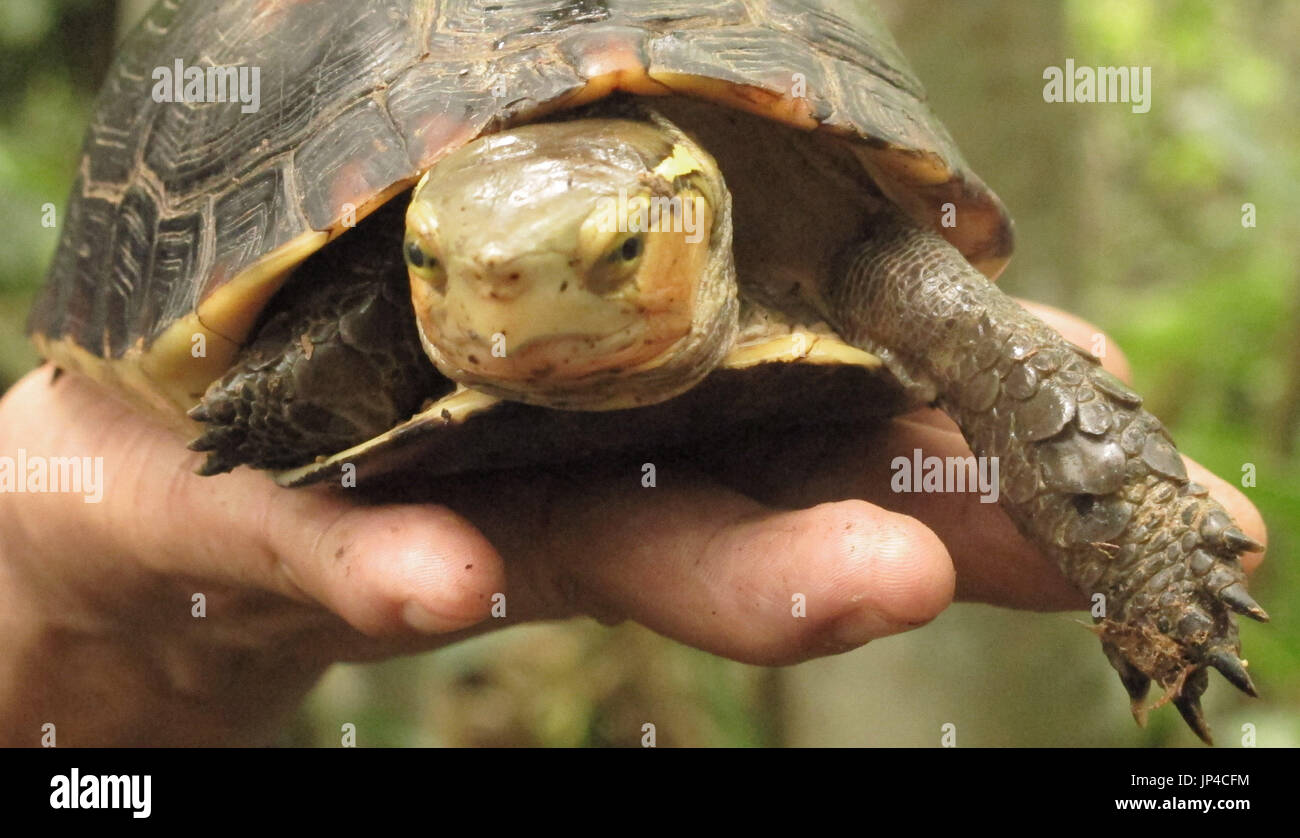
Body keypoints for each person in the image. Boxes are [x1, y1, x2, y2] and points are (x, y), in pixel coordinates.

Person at [0, 304, 1265, 746]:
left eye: (607, 250)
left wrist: (1137, 546)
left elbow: (978, 329)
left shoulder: (842, 244)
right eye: (472, 256)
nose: (533, 286)